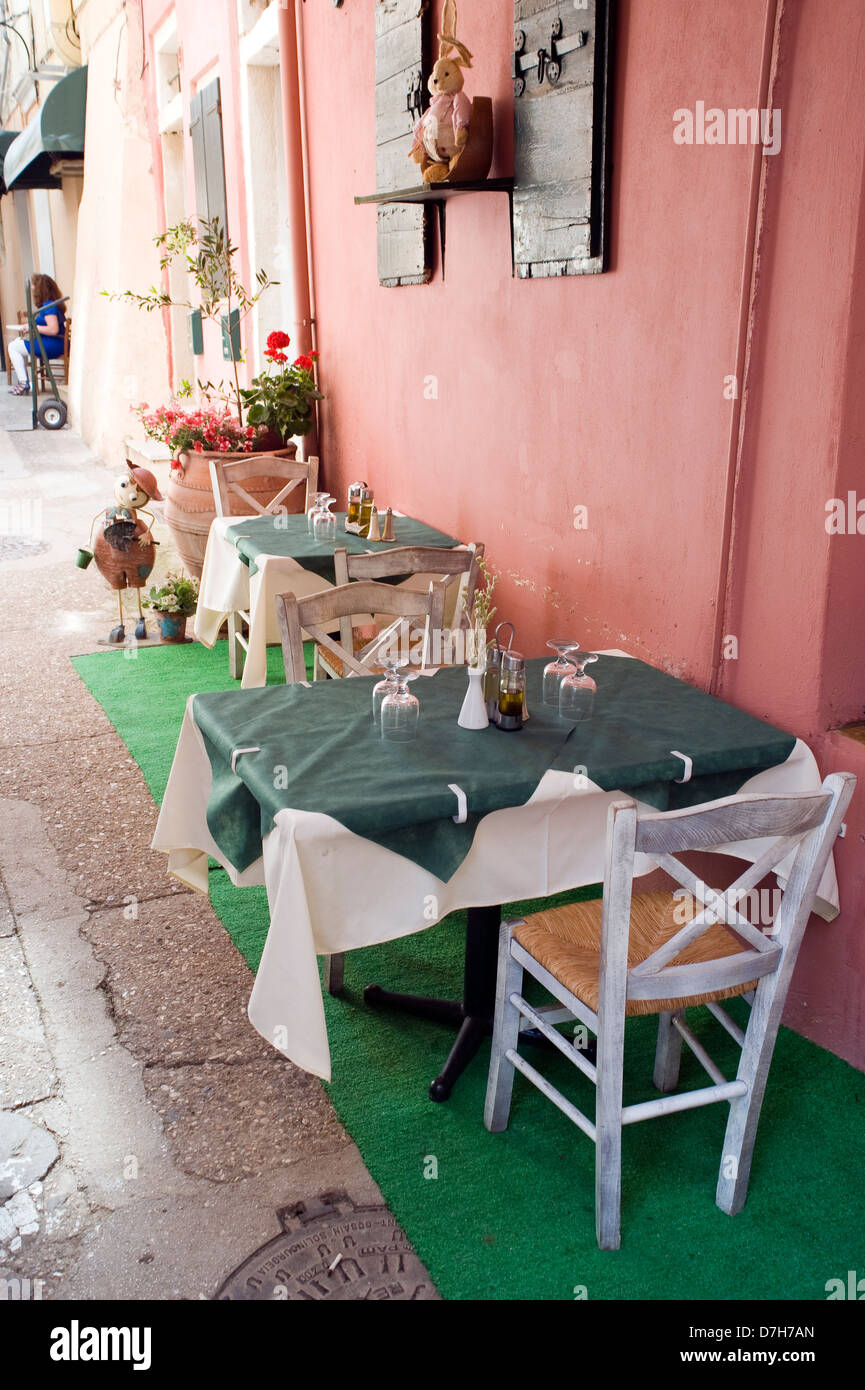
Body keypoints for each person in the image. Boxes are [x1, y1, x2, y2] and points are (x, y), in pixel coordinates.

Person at [9, 274, 66, 396]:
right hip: (56, 342)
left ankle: (23, 382)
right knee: (17, 343)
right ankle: (23, 381)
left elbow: (53, 329)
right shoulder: (51, 304)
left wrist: (35, 328)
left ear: (40, 289)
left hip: (53, 344)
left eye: (34, 286)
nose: (32, 289)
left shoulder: (48, 306)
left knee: (13, 347)